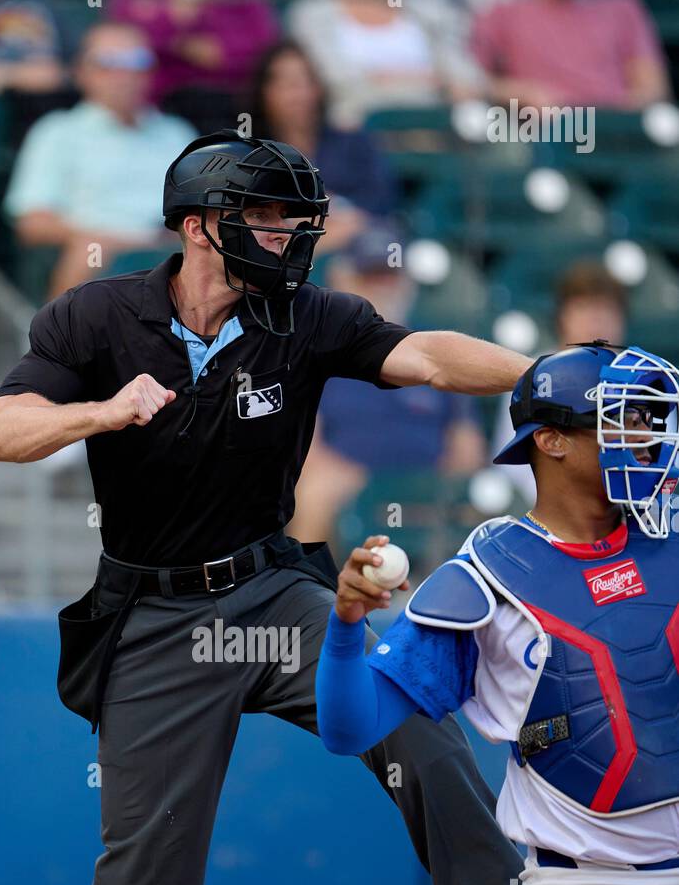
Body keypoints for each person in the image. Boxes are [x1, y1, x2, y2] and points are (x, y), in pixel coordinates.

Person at [0, 130, 536, 885]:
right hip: (148, 614)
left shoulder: (305, 315)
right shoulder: (96, 315)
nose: (289, 236)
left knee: (407, 712)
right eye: (266, 218)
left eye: (295, 218)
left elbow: (422, 355)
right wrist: (102, 409)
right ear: (196, 227)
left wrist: (544, 375)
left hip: (274, 588)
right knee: (142, 872)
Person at [291, 341, 678, 885]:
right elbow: (351, 727)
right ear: (551, 442)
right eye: (626, 421)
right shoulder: (489, 577)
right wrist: (348, 622)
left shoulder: (673, 530)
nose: (651, 439)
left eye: (655, 419)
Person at [291, 226, 485, 543]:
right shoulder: (317, 345)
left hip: (427, 489)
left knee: (488, 502)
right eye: (371, 276)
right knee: (313, 494)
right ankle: (312, 589)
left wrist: (433, 486)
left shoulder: (434, 347)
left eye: (390, 275)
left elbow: (467, 447)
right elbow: (306, 448)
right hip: (349, 483)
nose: (384, 286)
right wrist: (365, 484)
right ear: (344, 280)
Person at [4, 23, 195, 299]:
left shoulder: (177, 134)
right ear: (82, 72)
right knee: (89, 252)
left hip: (171, 249)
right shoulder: (57, 132)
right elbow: (32, 223)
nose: (125, 74)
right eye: (109, 63)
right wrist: (108, 241)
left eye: (138, 62)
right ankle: (57, 339)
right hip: (99, 257)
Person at [493, 260, 629, 503]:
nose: (596, 320)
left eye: (606, 310)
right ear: (562, 316)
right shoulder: (532, 374)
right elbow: (512, 468)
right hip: (546, 513)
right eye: (585, 308)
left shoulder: (645, 378)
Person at [249, 41, 399, 254]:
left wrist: (338, 219)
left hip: (357, 248)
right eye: (285, 84)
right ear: (264, 92)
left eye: (303, 82)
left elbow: (381, 199)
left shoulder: (352, 141)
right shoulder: (250, 155)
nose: (296, 95)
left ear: (318, 88)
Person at [287, 0, 483, 126]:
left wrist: (382, 77)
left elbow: (466, 79)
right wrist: (432, 82)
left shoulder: (427, 11)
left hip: (436, 127)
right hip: (358, 126)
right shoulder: (312, 14)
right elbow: (339, 83)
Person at [110, 0, 280, 130]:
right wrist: (175, 18)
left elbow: (263, 53)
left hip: (230, 108)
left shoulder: (246, 5)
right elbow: (123, 38)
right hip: (162, 110)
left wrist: (223, 54)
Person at [471, 0, 671, 110]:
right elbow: (470, 82)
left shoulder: (621, 6)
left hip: (615, 135)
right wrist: (520, 93)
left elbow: (652, 86)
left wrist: (618, 112)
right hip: (544, 136)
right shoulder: (505, 10)